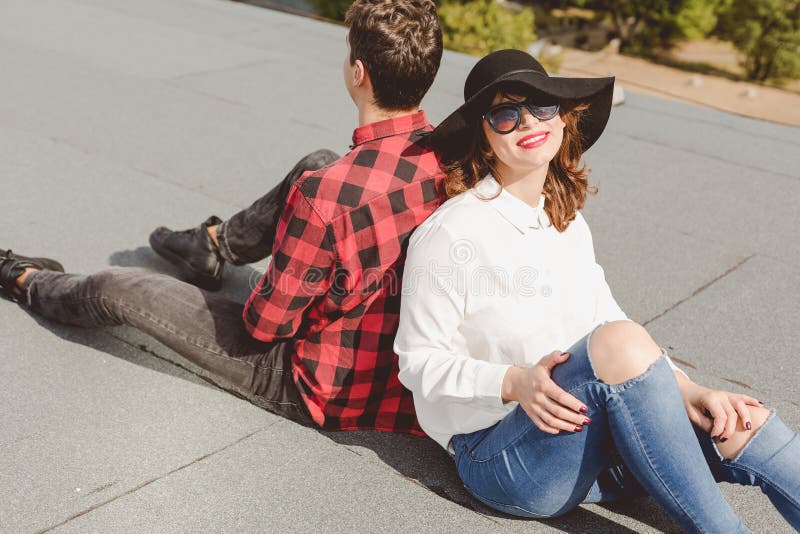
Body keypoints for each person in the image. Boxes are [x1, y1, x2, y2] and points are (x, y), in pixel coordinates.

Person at [394, 49, 800, 532]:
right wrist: (514, 382)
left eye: (542, 106)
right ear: (482, 136)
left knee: (740, 421)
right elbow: (416, 363)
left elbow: (605, 318)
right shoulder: (450, 236)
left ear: (563, 119)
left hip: (586, 436)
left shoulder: (564, 219)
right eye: (505, 114)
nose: (528, 122)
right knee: (619, 340)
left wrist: (690, 391)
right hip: (501, 456)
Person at [0, 0, 443, 434]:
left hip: (315, 383)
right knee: (319, 160)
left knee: (121, 287)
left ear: (359, 73)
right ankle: (212, 246)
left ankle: (28, 281)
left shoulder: (325, 194)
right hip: (397, 377)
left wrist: (299, 262)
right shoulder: (450, 157)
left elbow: (267, 324)